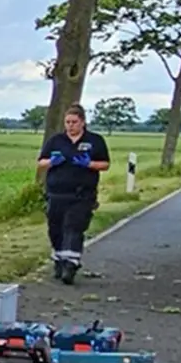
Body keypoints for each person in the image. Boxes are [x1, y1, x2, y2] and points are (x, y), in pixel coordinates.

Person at [37, 104, 110, 285]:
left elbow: (105, 164)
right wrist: (51, 162)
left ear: (82, 122)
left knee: (74, 226)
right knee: (56, 229)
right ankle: (59, 260)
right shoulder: (56, 140)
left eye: (74, 122)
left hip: (81, 194)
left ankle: (71, 264)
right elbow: (41, 162)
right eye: (68, 122)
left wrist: (89, 164)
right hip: (56, 193)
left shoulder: (95, 140)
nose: (70, 126)